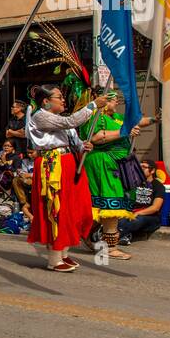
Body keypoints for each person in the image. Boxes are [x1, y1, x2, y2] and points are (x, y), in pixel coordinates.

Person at [26, 85, 110, 272]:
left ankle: (64, 252)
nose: (63, 100)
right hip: (53, 165)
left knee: (75, 208)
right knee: (57, 209)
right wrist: (93, 105)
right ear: (46, 101)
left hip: (69, 163)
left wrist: (83, 146)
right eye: (59, 97)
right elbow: (73, 121)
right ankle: (54, 258)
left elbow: (74, 140)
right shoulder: (40, 116)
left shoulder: (60, 119)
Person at [80, 92, 158, 260]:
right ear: (105, 101)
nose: (117, 102)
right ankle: (109, 248)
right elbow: (97, 137)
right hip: (103, 162)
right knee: (110, 204)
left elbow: (137, 122)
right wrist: (126, 131)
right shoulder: (95, 116)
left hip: (117, 164)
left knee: (111, 203)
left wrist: (155, 119)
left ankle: (85, 233)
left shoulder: (115, 116)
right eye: (114, 99)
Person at [118, 159, 165, 243]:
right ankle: (123, 236)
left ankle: (113, 237)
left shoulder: (158, 186)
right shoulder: (134, 183)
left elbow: (155, 208)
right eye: (139, 167)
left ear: (153, 171)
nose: (140, 169)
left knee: (137, 220)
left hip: (150, 217)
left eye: (144, 167)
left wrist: (138, 213)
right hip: (132, 212)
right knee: (119, 218)